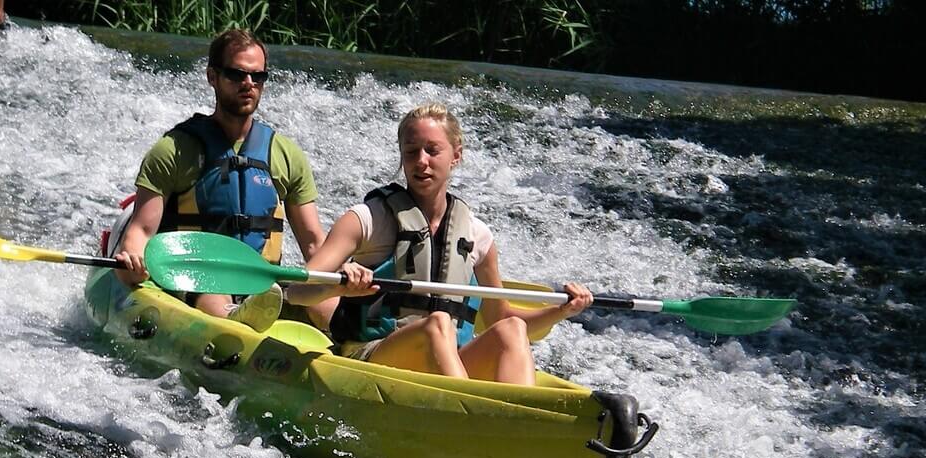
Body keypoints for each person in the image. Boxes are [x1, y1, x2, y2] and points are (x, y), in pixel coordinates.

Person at [285, 103, 593, 386]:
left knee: (511, 330)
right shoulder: (367, 219)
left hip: (448, 364)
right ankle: (471, 421)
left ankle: (519, 420)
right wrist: (339, 286)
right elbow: (298, 291)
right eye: (411, 152)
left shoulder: (477, 235)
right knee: (438, 324)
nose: (421, 162)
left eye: (432, 150)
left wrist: (562, 310)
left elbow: (498, 317)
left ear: (456, 155)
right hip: (371, 358)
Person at [111, 29, 328, 331]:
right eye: (237, 75)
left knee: (327, 301)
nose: (249, 84)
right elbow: (141, 231)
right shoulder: (174, 150)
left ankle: (361, 347)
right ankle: (236, 323)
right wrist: (132, 262)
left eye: (258, 77)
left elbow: (316, 246)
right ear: (212, 76)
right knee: (213, 291)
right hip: (193, 279)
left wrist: (343, 282)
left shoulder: (285, 154)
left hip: (263, 285)